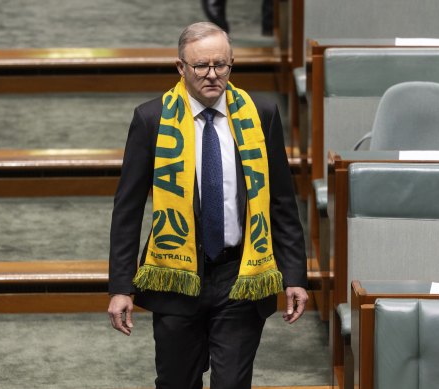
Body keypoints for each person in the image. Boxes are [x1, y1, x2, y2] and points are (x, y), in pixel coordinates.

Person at [107, 22, 308, 389]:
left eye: (221, 65)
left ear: (232, 64)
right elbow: (128, 209)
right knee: (176, 382)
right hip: (176, 277)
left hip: (242, 274)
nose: (212, 75)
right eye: (201, 66)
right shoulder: (151, 119)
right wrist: (121, 286)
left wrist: (294, 274)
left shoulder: (261, 114)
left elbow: (281, 199)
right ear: (180, 67)